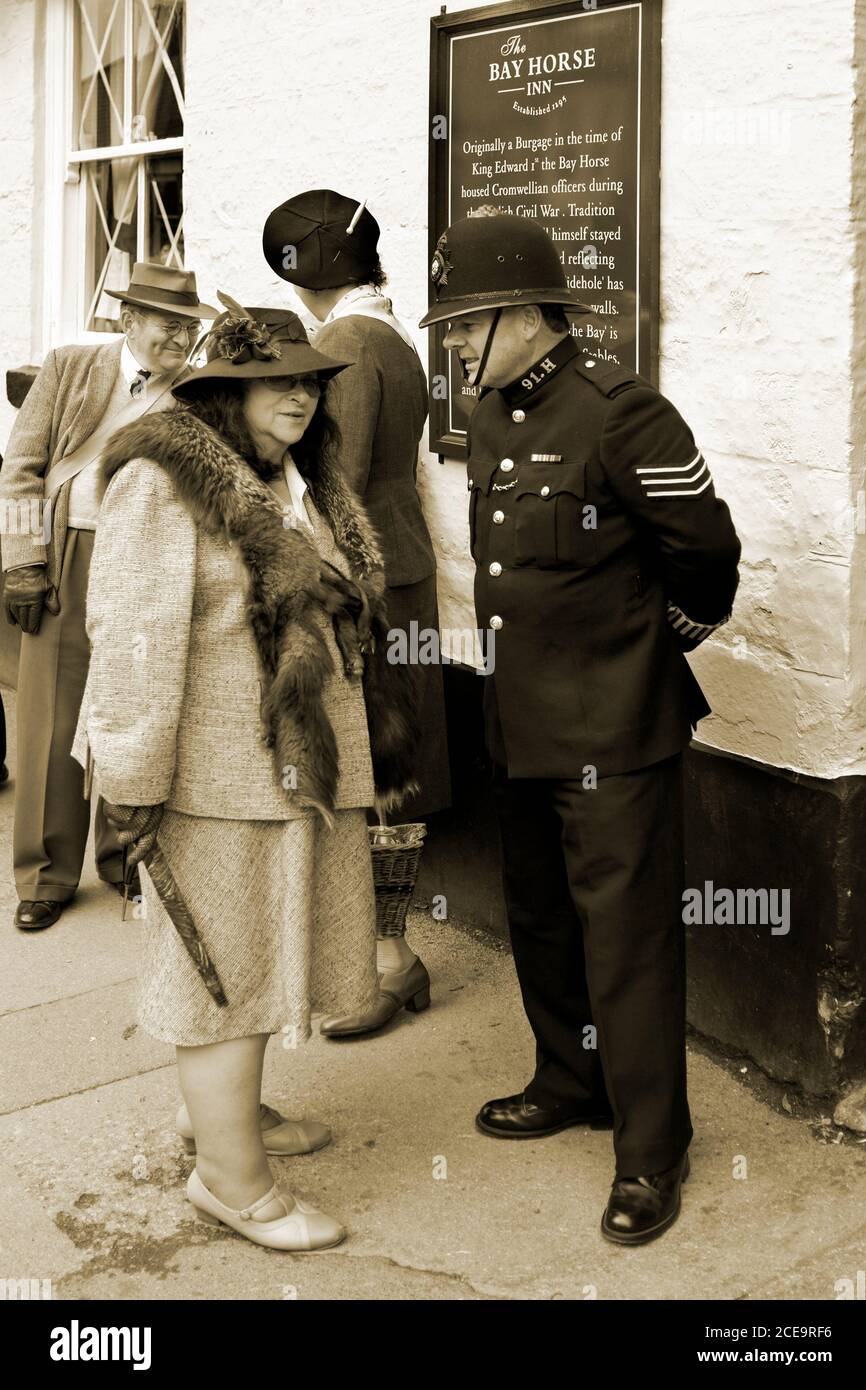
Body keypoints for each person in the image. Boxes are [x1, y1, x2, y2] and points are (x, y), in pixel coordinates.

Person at [419, 212, 742, 1245]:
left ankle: (652, 1151)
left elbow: (707, 549)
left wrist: (660, 638)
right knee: (543, 917)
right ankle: (571, 1078)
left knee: (630, 941)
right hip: (520, 717)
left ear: (528, 311)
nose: (456, 343)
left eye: (469, 322)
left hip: (614, 727)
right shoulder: (500, 412)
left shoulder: (619, 410)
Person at [71, 304, 418, 1251]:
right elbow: (134, 643)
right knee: (220, 975)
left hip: (289, 770)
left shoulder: (295, 479)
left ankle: (220, 1118)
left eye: (310, 380)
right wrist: (134, 785)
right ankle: (231, 1182)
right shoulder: (160, 482)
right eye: (279, 382)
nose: (302, 395)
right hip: (215, 778)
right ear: (224, 392)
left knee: (260, 954)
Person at [263, 189, 451, 1037]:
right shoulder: (392, 335)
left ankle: (388, 956)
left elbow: (332, 486)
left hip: (365, 585)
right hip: (404, 573)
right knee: (396, 765)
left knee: (379, 767)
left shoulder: (342, 341)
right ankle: (388, 951)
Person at [0, 262, 217, 931]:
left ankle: (128, 861)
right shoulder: (70, 367)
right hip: (66, 552)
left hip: (148, 562)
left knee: (134, 709)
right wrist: (20, 562)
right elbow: (21, 468)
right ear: (128, 321)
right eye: (168, 323)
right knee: (51, 722)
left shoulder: (199, 393)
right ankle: (44, 875)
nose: (181, 336)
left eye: (189, 325)